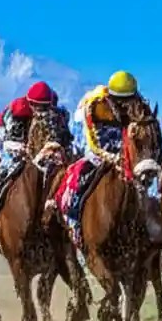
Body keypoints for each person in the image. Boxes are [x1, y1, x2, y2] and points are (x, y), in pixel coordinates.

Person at [55, 71, 146, 234]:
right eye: (122, 101)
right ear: (112, 96)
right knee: (80, 175)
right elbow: (93, 143)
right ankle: (74, 220)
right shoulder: (94, 106)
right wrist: (113, 158)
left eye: (129, 100)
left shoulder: (137, 103)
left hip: (120, 144)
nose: (126, 105)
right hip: (91, 142)